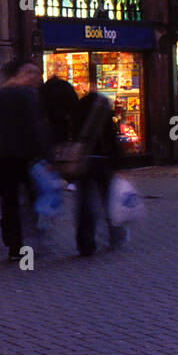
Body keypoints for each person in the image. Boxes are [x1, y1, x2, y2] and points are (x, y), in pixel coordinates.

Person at [0, 60, 51, 261]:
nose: (38, 80)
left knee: (9, 202)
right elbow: (36, 128)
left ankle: (14, 244)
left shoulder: (0, 96)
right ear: (25, 74)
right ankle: (31, 238)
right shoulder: (30, 96)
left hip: (5, 156)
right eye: (35, 75)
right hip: (26, 156)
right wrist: (44, 154)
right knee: (32, 197)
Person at [72, 85, 123, 255]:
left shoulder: (78, 113)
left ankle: (85, 244)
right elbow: (111, 139)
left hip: (84, 160)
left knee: (85, 203)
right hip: (102, 160)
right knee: (108, 200)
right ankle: (115, 237)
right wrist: (117, 162)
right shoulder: (104, 114)